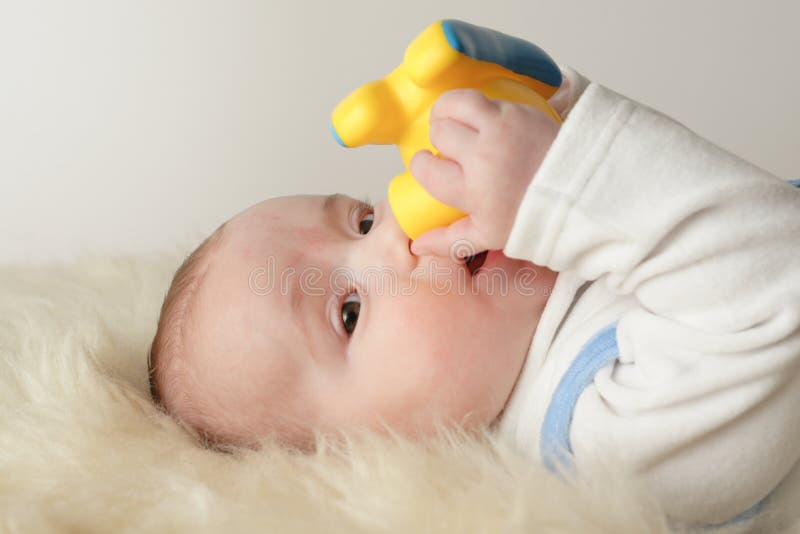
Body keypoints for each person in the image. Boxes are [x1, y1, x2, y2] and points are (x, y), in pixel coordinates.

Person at [148, 61, 800, 529]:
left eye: (363, 219)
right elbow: (777, 274)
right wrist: (563, 180)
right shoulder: (607, 441)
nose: (400, 227)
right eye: (348, 312)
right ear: (371, 460)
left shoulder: (533, 295)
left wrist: (525, 105)